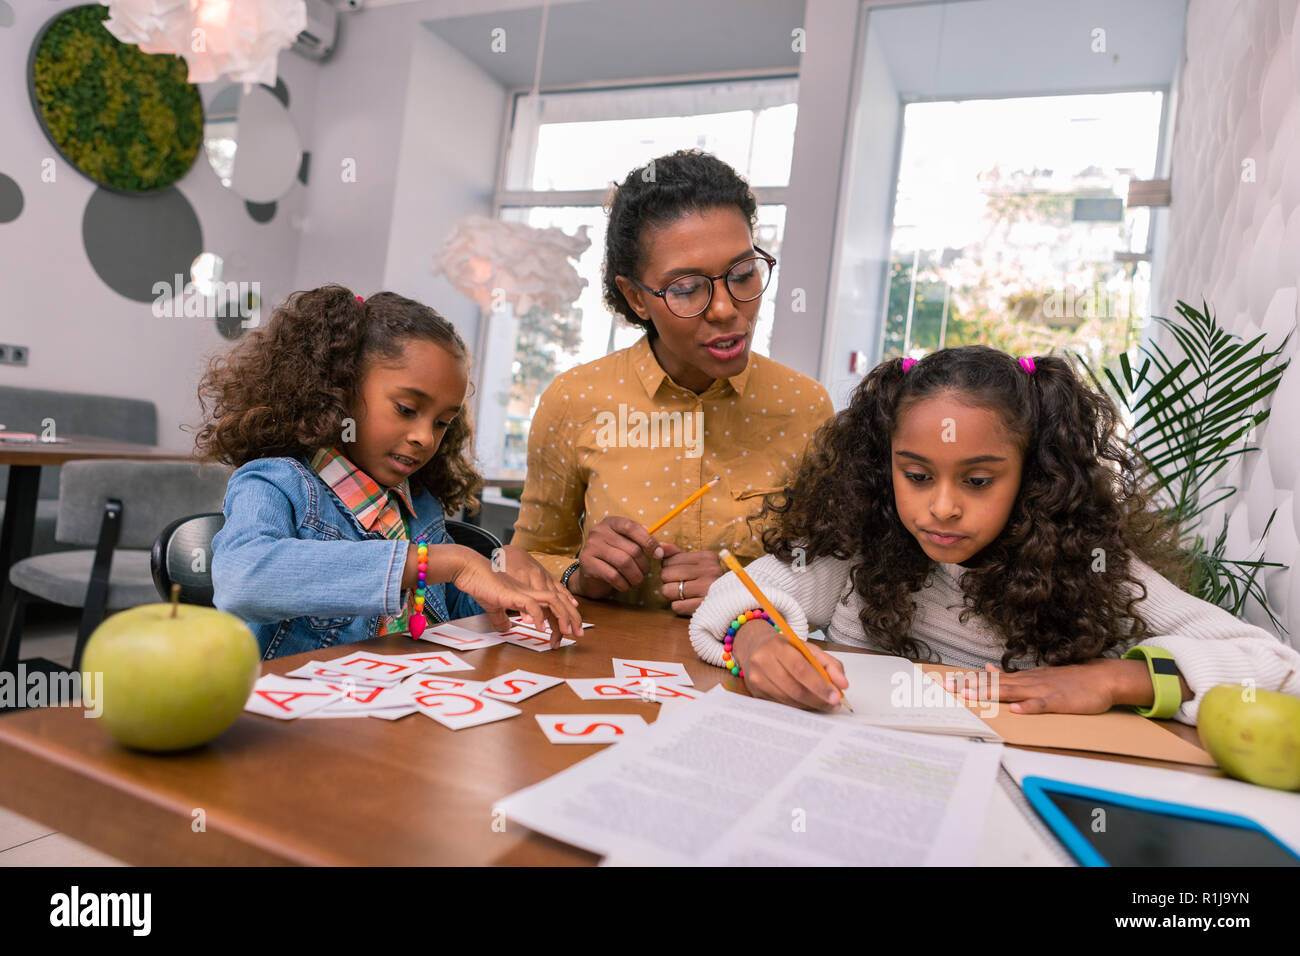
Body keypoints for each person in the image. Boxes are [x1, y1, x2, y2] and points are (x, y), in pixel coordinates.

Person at [688, 346, 1300, 724]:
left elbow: (1275, 668)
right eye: (918, 475)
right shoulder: (861, 551)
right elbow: (744, 593)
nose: (942, 508)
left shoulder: (1094, 571)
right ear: (885, 465)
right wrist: (755, 640)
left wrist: (1117, 679)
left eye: (978, 481)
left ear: (1034, 476)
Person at [510, 150, 833, 615]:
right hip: (606, 676)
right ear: (636, 297)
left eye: (743, 274)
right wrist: (578, 575)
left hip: (750, 675)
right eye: (686, 289)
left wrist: (749, 586)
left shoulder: (804, 406)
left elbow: (830, 572)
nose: (726, 308)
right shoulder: (575, 400)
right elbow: (524, 561)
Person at [198, 285, 581, 660]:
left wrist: (503, 570)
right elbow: (242, 580)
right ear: (340, 388)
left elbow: (449, 613)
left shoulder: (419, 505)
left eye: (443, 422)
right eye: (406, 408)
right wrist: (444, 561)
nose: (424, 437)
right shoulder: (274, 484)